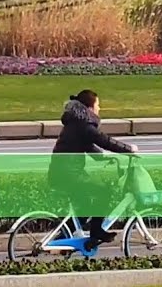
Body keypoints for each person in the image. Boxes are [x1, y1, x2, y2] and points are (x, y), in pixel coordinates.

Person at [49, 89, 137, 249]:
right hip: (70, 174)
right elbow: (102, 139)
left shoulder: (76, 122)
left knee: (83, 207)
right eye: (98, 105)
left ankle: (62, 240)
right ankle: (96, 232)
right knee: (104, 191)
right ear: (89, 108)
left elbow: (87, 144)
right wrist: (128, 149)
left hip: (62, 172)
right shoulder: (83, 124)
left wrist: (104, 157)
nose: (99, 109)